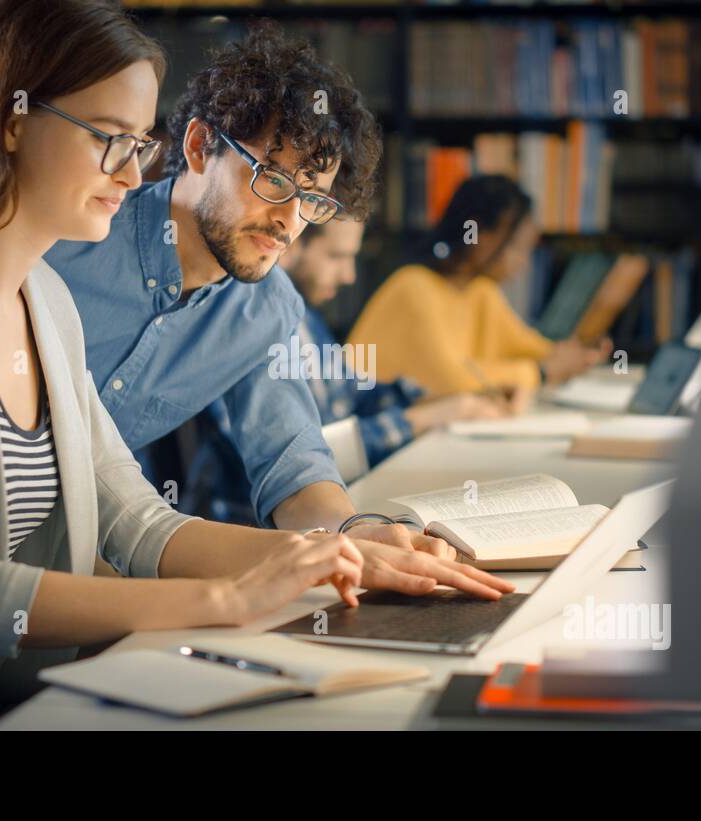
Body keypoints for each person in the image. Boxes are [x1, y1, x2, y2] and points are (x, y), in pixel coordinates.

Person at [0, 0, 512, 731]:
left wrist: (335, 550)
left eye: (138, 142)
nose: (130, 168)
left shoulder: (43, 297)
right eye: (108, 135)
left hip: (1, 688)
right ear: (11, 124)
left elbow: (144, 518)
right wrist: (226, 598)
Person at [44, 24, 492, 575]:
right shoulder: (70, 236)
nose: (289, 221)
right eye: (274, 181)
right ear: (199, 147)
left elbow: (290, 461)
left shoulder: (267, 306)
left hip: (86, 553)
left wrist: (353, 534)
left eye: (312, 200)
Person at [189, 217, 508, 524]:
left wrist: (434, 401)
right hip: (251, 527)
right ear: (290, 243)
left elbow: (353, 393)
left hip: (317, 514)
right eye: (336, 257)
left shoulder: (307, 321)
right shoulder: (251, 323)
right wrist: (420, 420)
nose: (349, 276)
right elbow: (301, 459)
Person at [347, 175, 611, 403]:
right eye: (518, 247)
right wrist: (541, 373)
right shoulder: (413, 287)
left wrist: (576, 353)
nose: (524, 264)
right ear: (479, 234)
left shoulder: (479, 291)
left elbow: (530, 347)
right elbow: (453, 384)